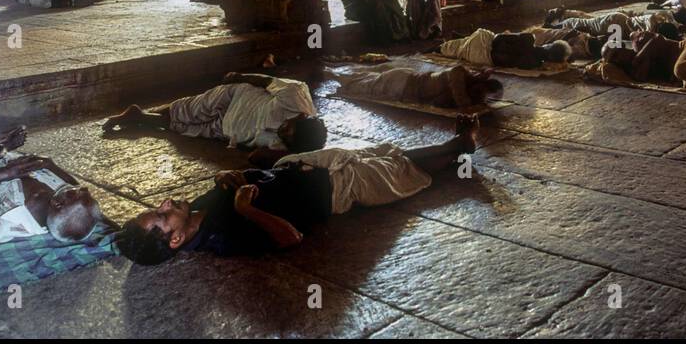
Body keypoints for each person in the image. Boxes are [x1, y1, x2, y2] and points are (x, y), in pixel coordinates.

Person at [115, 117, 480, 265]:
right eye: (162, 215)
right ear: (175, 239)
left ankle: (454, 145)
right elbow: (290, 238)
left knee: (384, 152)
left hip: (302, 168)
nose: (165, 203)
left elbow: (238, 184)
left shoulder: (195, 209)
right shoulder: (223, 239)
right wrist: (246, 210)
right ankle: (457, 148)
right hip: (334, 191)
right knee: (401, 170)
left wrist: (227, 177)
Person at [101, 72, 327, 162]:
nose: (282, 132)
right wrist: (239, 76)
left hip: (227, 130)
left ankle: (138, 115)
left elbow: (255, 157)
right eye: (287, 127)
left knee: (179, 127)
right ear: (301, 116)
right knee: (187, 110)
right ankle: (136, 115)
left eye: (286, 137)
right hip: (235, 98)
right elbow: (267, 81)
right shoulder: (295, 95)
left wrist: (291, 153)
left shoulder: (290, 145)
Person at [336, 63, 501, 109]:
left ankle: (341, 74)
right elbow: (462, 102)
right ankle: (334, 75)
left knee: (370, 81)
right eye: (481, 91)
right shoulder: (458, 72)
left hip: (406, 84)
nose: (480, 95)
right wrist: (478, 102)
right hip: (403, 83)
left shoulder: (465, 86)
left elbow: (440, 102)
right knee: (362, 87)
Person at [438, 28, 572, 68]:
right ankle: (459, 39)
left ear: (548, 45)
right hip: (485, 59)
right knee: (460, 45)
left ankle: (441, 46)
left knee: (478, 37)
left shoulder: (529, 38)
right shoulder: (534, 64)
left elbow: (499, 38)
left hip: (482, 47)